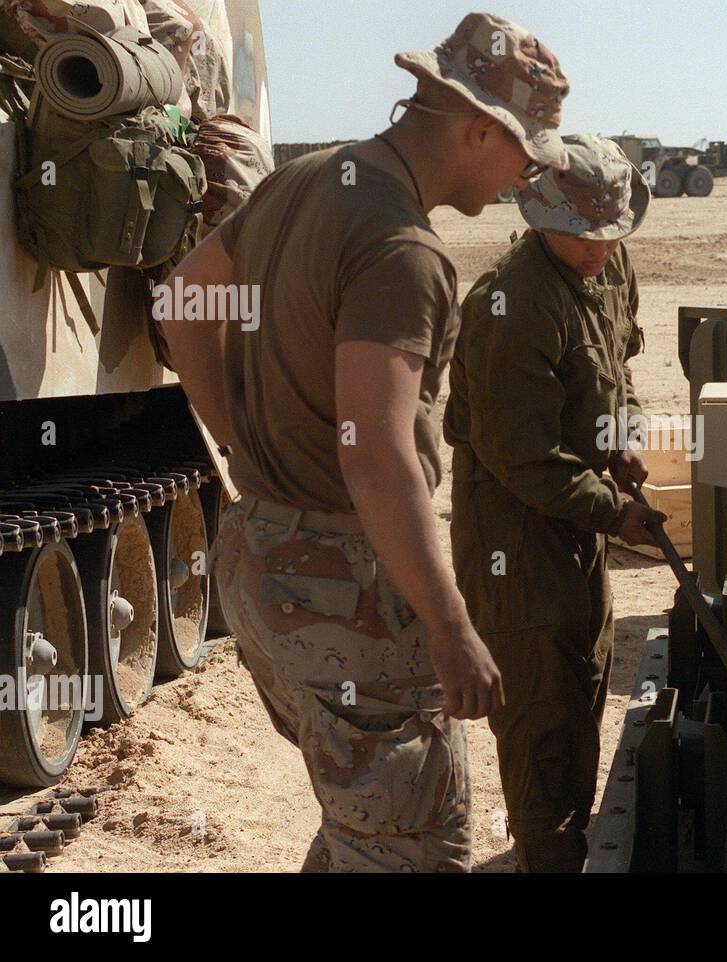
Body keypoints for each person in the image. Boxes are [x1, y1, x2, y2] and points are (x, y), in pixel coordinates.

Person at [159, 12, 570, 872]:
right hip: (349, 594)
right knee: (415, 847)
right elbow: (377, 456)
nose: (526, 176)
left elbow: (182, 299)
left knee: (365, 829)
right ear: (476, 128)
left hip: (261, 560)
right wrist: (452, 628)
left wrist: (239, 443)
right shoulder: (402, 251)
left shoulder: (305, 178)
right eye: (524, 153)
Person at [444, 134, 661, 871]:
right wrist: (614, 512)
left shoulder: (605, 263)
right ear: (540, 219)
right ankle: (551, 855)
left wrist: (624, 431)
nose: (601, 250)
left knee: (584, 684)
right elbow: (522, 459)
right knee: (544, 723)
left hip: (572, 517)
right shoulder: (512, 304)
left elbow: (619, 361)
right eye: (582, 235)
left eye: (612, 232)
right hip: (516, 533)